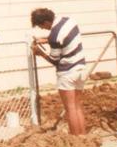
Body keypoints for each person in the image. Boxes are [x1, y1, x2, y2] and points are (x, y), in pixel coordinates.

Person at [30, 7, 87, 135]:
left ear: (46, 22)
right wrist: (46, 39)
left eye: (42, 27)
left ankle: (76, 141)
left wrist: (40, 52)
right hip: (81, 68)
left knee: (70, 108)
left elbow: (54, 60)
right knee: (77, 106)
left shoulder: (54, 36)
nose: (44, 29)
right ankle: (84, 138)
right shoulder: (68, 21)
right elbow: (63, 39)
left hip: (68, 73)